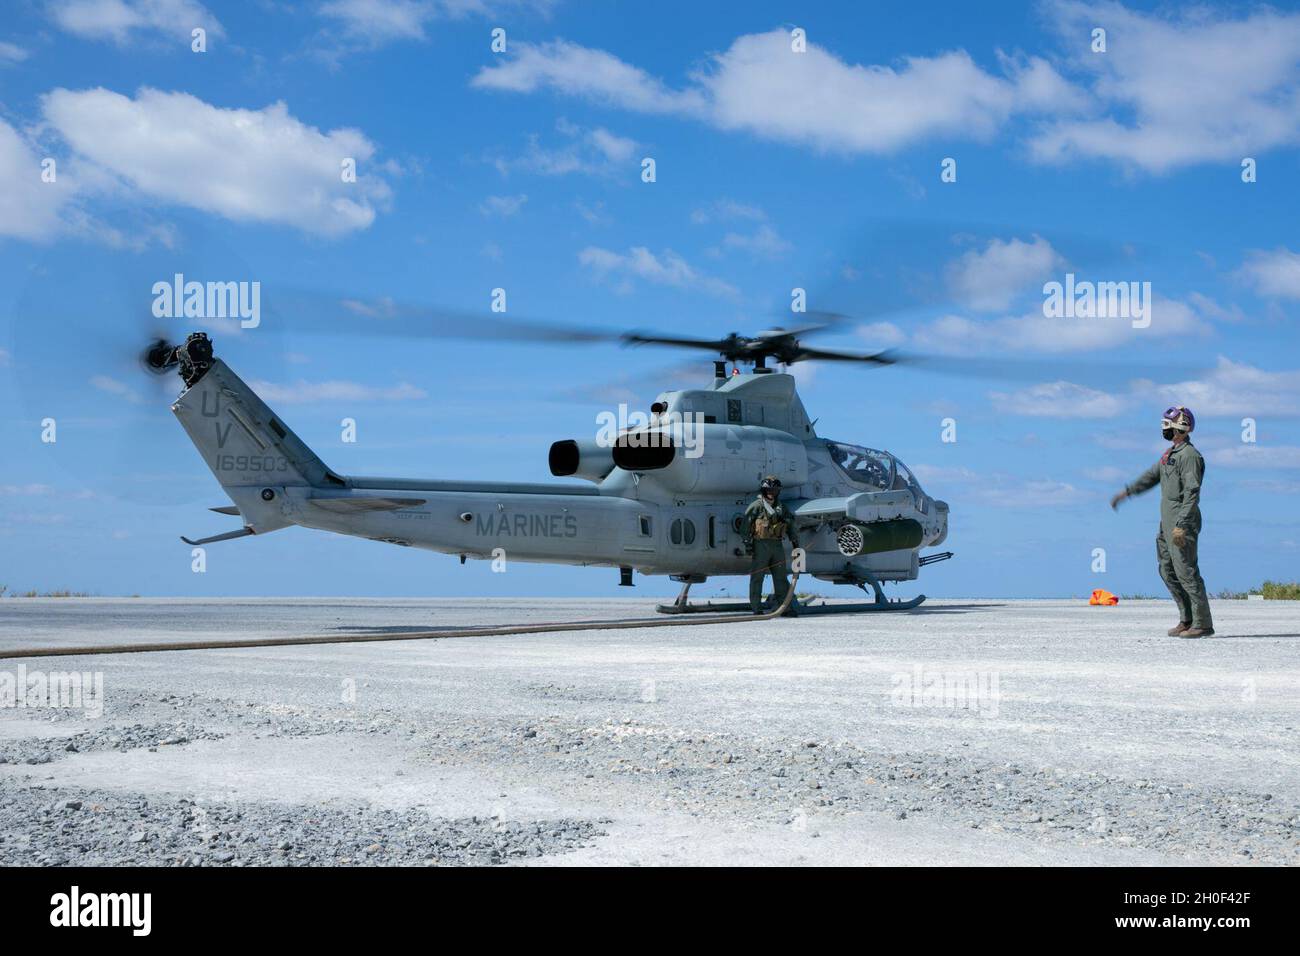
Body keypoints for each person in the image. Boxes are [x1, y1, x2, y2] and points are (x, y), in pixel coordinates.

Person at [1110, 405, 1214, 637]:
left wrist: (1182, 524)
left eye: (1168, 425)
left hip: (1181, 523)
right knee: (1167, 570)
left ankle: (1203, 623)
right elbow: (1151, 476)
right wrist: (1127, 492)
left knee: (1186, 571)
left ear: (1182, 427)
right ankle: (1186, 619)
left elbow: (1192, 492)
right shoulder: (1169, 454)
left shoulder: (1189, 456)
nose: (1165, 429)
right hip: (1166, 523)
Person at [744, 475, 801, 616]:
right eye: (769, 490)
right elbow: (745, 526)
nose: (771, 492)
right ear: (763, 490)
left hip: (777, 545)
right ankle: (756, 609)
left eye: (774, 490)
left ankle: (785, 608)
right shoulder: (756, 507)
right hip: (760, 545)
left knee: (781, 577)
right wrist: (748, 544)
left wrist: (795, 543)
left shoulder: (781, 508)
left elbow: (790, 525)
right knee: (757, 578)